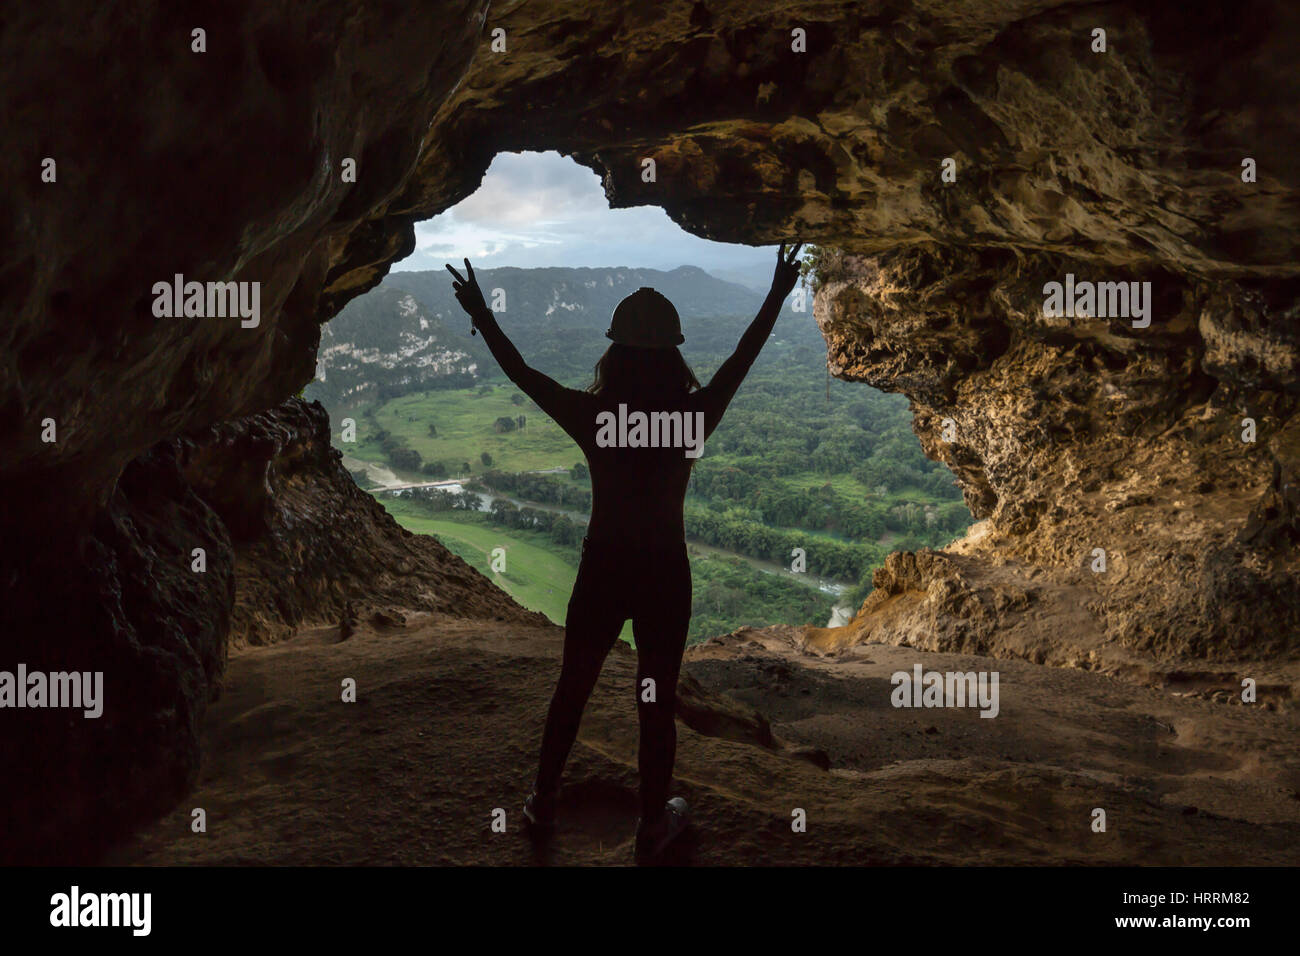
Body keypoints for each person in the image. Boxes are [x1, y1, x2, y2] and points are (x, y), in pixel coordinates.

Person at [446, 243, 803, 859]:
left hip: (604, 566)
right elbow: (743, 358)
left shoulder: (594, 415)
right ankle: (651, 824)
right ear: (674, 355)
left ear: (612, 352)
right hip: (665, 571)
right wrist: (776, 292)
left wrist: (481, 310)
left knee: (574, 685)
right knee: (656, 700)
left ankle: (546, 799)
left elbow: (521, 372)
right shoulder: (693, 418)